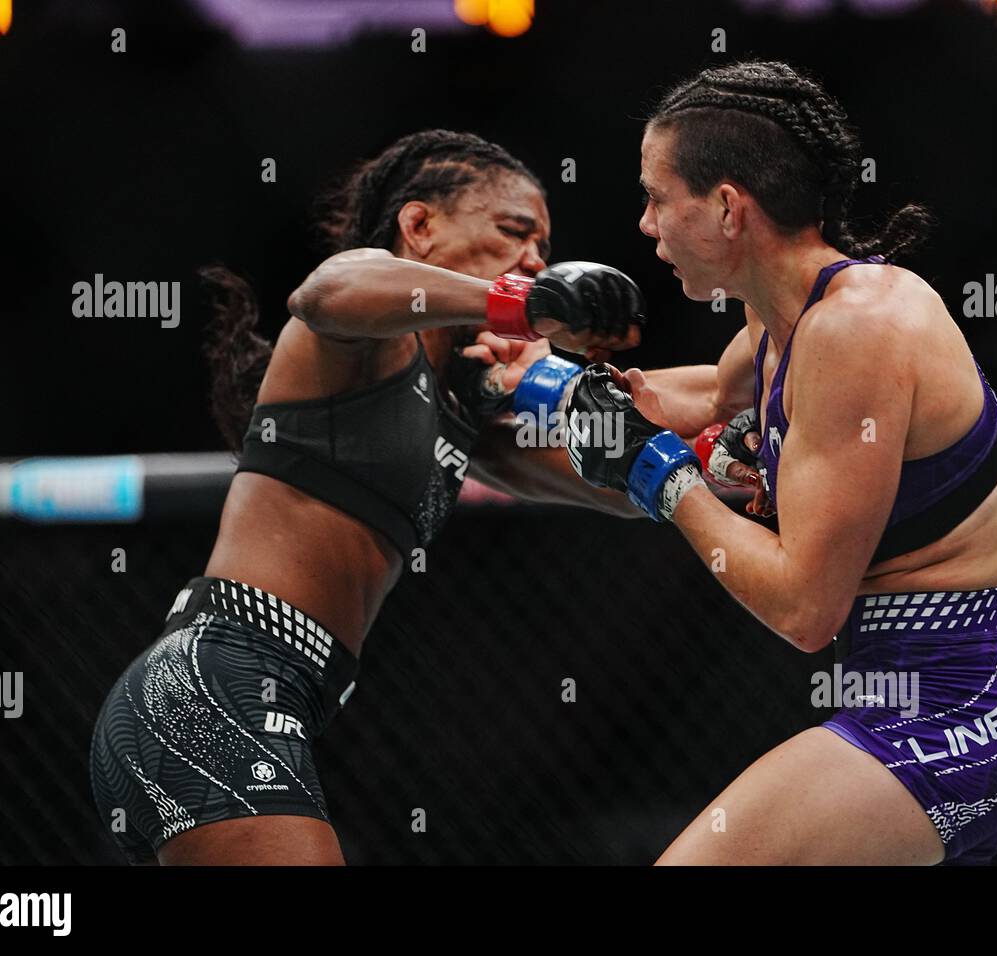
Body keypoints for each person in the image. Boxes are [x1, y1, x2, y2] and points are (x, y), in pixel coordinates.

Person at [89, 129, 645, 865]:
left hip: (268, 699)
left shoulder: (463, 404)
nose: (536, 257)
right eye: (514, 231)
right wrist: (522, 302)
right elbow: (324, 293)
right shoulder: (366, 334)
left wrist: (751, 432)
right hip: (210, 690)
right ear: (420, 226)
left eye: (544, 246)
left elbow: (623, 476)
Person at [562, 61, 997, 865]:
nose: (644, 223)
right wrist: (538, 378)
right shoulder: (779, 325)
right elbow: (691, 398)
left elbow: (804, 608)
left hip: (952, 713)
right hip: (911, 700)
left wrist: (659, 477)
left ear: (726, 207)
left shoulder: (854, 330)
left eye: (655, 196)